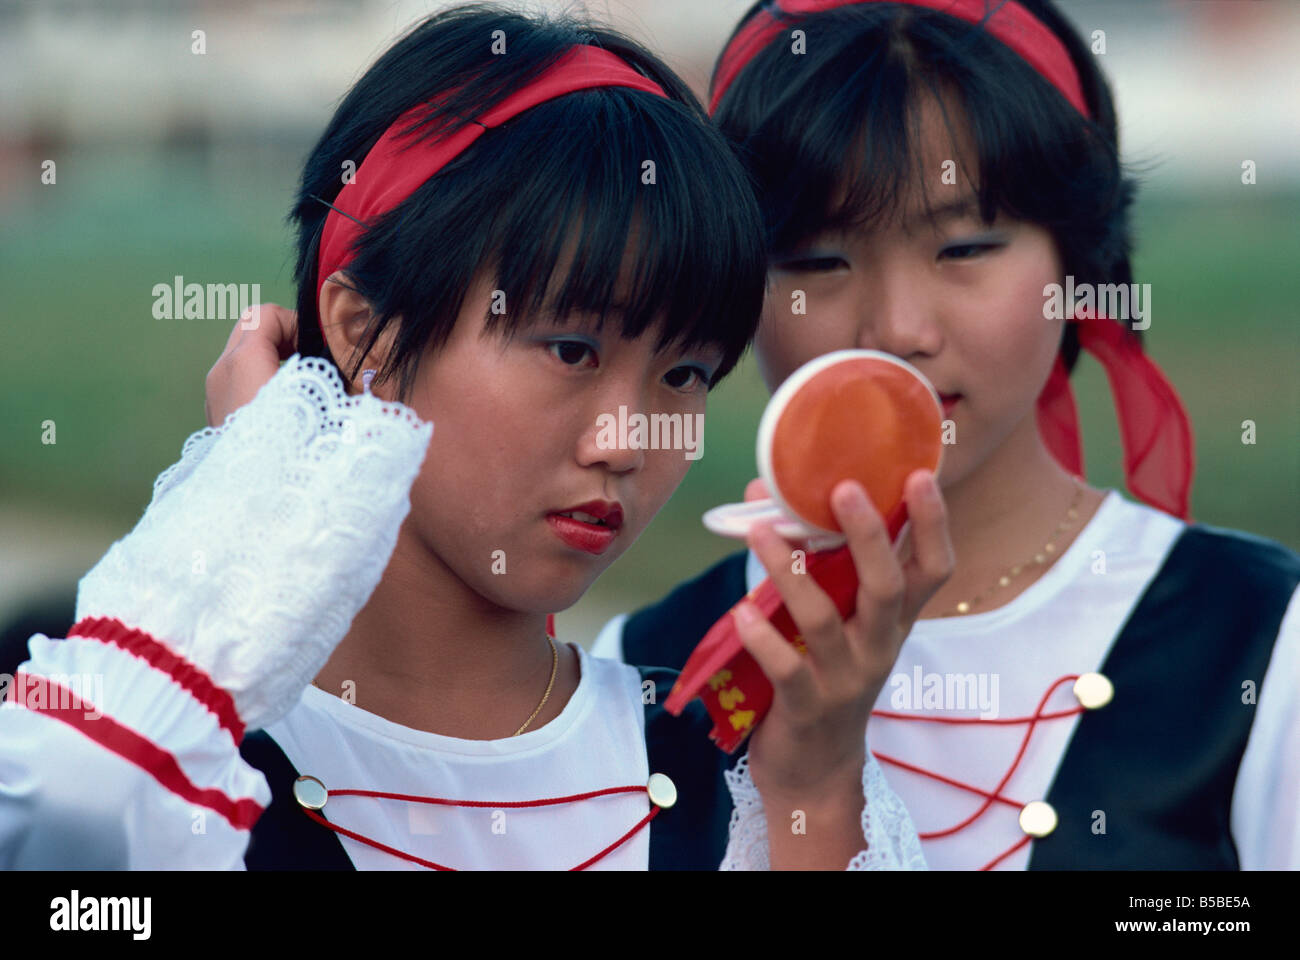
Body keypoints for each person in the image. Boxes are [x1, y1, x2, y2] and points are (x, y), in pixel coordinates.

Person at [0, 5, 952, 871]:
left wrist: (818, 785)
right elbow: (71, 801)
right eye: (571, 350)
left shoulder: (739, 782)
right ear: (363, 332)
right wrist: (252, 495)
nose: (628, 441)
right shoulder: (186, 753)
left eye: (685, 373)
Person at [593, 0, 1300, 869]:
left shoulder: (1263, 642)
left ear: (1078, 262)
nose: (898, 329)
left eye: (964, 248)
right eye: (817, 261)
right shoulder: (648, 669)